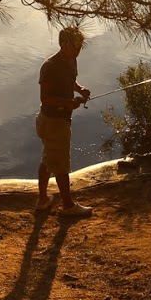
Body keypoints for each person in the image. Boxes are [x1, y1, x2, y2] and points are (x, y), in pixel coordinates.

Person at [35, 25, 94, 217]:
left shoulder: (72, 60)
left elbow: (71, 81)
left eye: (79, 46)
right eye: (73, 46)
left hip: (59, 120)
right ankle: (68, 206)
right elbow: (45, 98)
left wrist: (80, 89)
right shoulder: (50, 67)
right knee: (60, 163)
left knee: (48, 159)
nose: (77, 50)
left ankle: (43, 200)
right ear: (62, 44)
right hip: (53, 121)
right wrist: (69, 103)